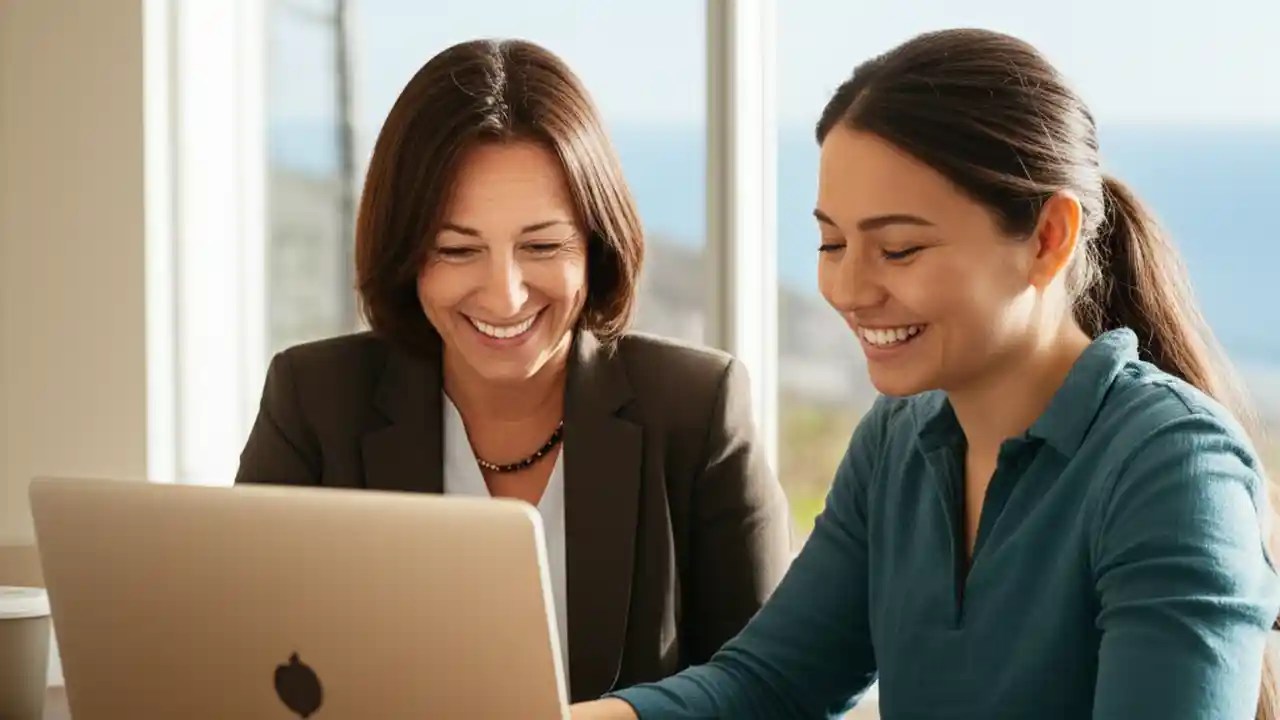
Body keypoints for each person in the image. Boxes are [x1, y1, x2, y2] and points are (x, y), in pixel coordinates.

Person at [573, 27, 1280, 720]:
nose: (849, 289)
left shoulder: (1173, 469)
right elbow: (773, 685)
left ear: (1048, 239)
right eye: (831, 242)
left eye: (900, 249)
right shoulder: (897, 443)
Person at [234, 38, 791, 703]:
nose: (504, 295)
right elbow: (242, 669)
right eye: (457, 249)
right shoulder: (315, 402)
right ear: (407, 254)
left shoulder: (699, 411)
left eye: (542, 245)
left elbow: (773, 694)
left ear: (595, 244)